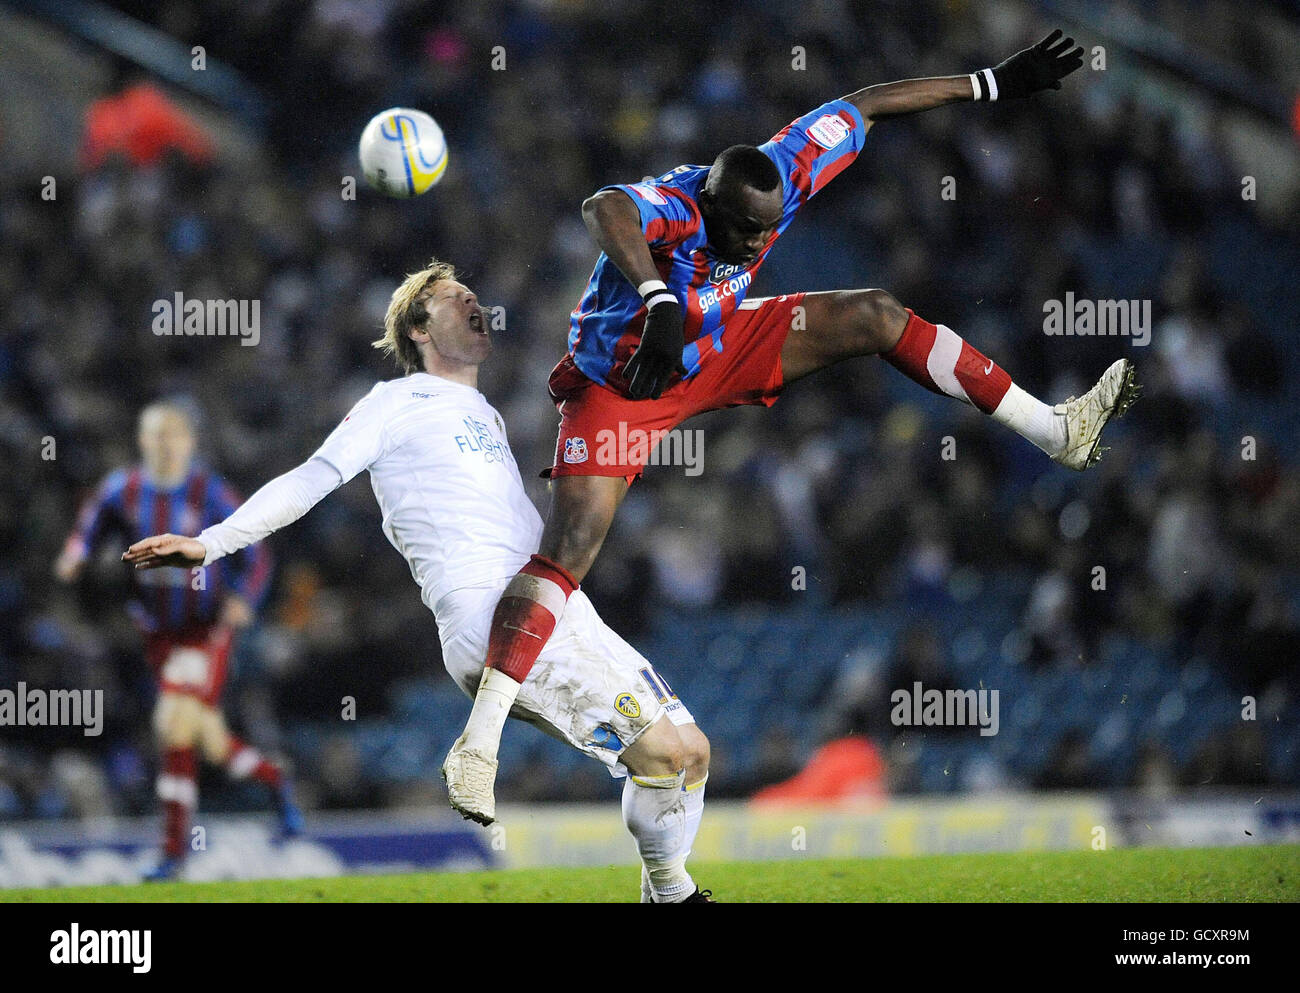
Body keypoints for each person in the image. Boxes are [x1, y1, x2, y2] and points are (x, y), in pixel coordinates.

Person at [444, 29, 1142, 824]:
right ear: (711, 203)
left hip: (720, 342)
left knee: (876, 314)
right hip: (625, 382)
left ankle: (1056, 430)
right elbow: (601, 206)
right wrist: (658, 298)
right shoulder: (675, 205)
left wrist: (987, 82)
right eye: (741, 230)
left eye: (765, 229)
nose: (754, 242)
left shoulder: (787, 170)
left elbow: (869, 104)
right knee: (569, 551)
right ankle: (478, 744)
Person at [123, 262, 713, 903]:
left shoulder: (483, 411)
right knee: (660, 756)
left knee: (692, 750)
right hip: (492, 618)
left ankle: (668, 889)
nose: (473, 302)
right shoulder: (393, 402)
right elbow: (311, 478)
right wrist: (212, 543)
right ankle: (670, 897)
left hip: (556, 603)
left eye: (473, 294)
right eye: (453, 298)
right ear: (418, 327)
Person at [56, 402, 297, 881]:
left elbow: (257, 546)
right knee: (206, 739)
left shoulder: (209, 491)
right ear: (143, 442)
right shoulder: (121, 489)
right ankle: (275, 779)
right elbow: (91, 527)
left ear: (190, 442)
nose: (166, 444)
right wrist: (76, 555)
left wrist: (245, 598)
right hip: (157, 632)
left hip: (206, 630)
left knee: (171, 724)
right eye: (156, 435)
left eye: (175, 435)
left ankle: (173, 850)